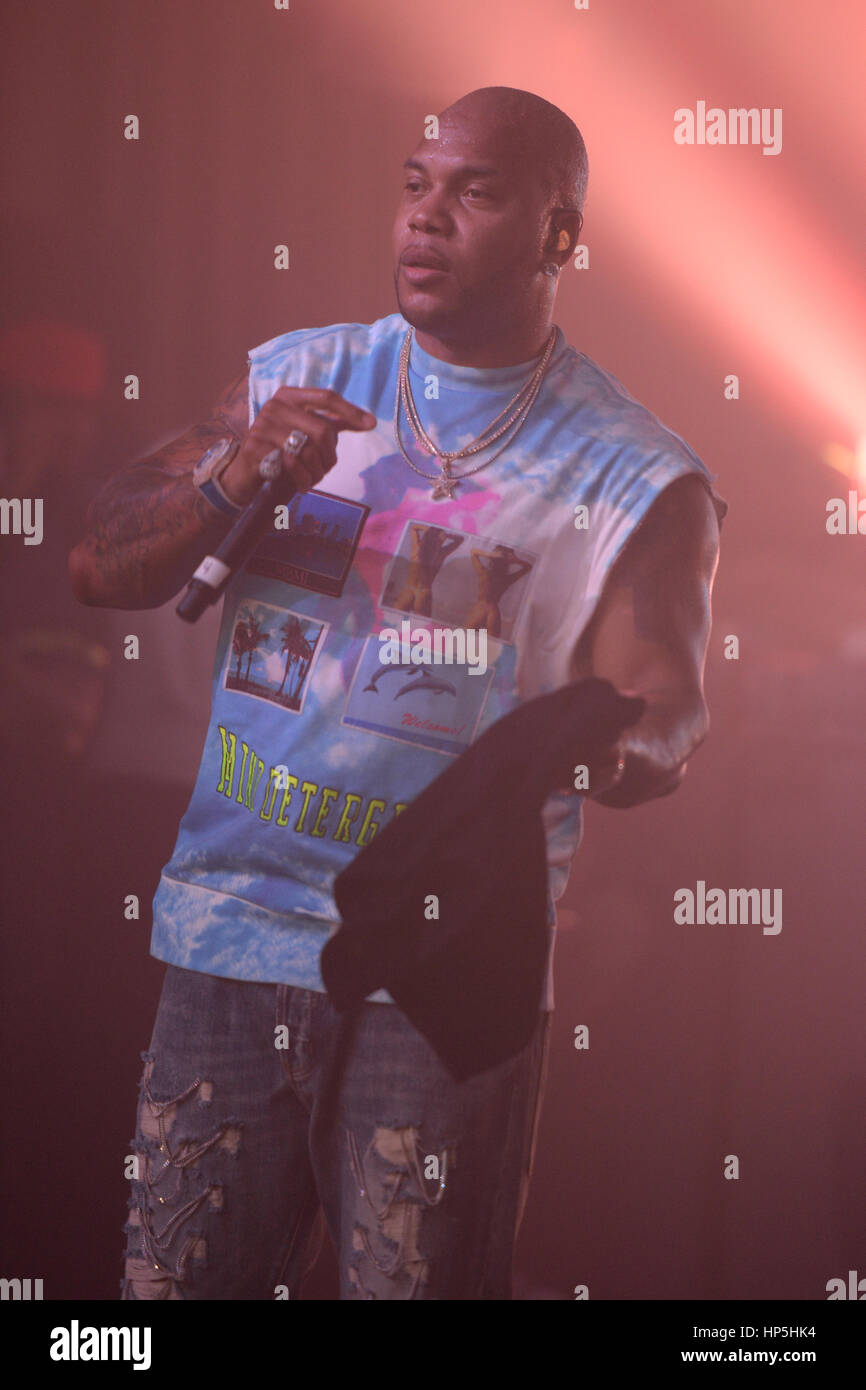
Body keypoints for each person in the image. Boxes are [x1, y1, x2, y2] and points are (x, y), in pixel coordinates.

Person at [69, 86, 726, 1301]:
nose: (424, 217)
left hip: (434, 972)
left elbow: (665, 715)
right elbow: (99, 563)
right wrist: (233, 475)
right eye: (414, 183)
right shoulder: (298, 377)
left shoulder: (631, 470)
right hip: (226, 934)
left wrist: (576, 737)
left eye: (473, 193)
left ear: (558, 235)